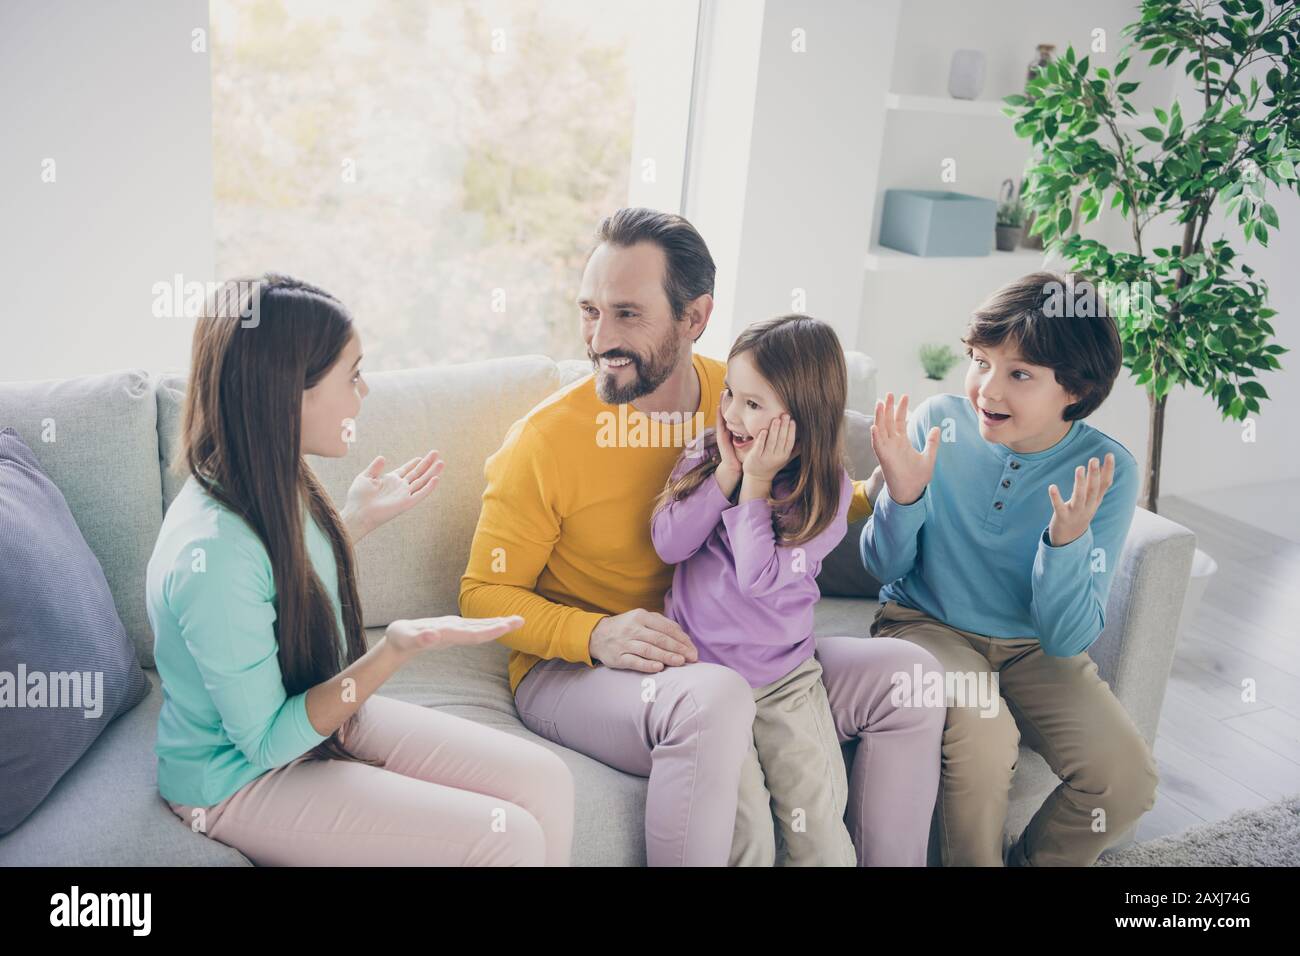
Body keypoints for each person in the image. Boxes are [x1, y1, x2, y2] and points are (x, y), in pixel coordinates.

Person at [460, 208, 945, 866]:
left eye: (627, 313)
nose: (600, 337)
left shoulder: (739, 393)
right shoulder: (543, 443)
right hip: (579, 672)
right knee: (715, 697)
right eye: (588, 310)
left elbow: (813, 504)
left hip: (726, 649)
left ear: (695, 318)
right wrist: (595, 635)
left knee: (909, 675)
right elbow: (482, 593)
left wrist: (895, 486)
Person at [149, 274, 573, 866]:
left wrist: (352, 522)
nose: (365, 390)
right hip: (234, 779)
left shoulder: (268, 477)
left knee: (545, 779)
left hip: (311, 722)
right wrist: (392, 652)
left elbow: (274, 588)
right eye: (351, 375)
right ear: (288, 393)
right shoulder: (214, 551)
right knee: (506, 838)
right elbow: (268, 740)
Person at [862, 271, 1156, 866]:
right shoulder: (936, 422)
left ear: (1074, 388)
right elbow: (882, 565)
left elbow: (1067, 636)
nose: (987, 390)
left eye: (1019, 374)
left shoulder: (1106, 470)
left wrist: (1065, 544)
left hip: (1037, 652)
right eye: (980, 362)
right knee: (985, 732)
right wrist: (904, 496)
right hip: (925, 625)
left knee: (1125, 779)